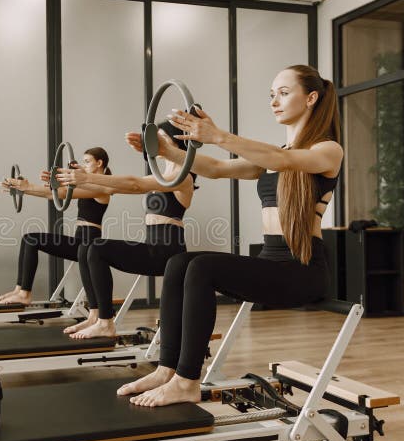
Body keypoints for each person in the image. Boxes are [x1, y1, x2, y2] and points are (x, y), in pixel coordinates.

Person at [119, 64, 343, 407]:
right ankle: (167, 369)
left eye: (284, 93)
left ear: (311, 98)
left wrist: (218, 135)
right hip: (271, 264)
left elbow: (282, 160)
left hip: (302, 270)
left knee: (203, 268)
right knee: (179, 263)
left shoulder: (328, 151)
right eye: (272, 95)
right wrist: (166, 152)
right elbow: (218, 169)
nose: (274, 102)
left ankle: (187, 380)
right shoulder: (274, 155)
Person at [55, 121, 198, 339]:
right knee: (91, 248)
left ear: (175, 140)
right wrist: (78, 179)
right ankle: (96, 316)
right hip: (152, 247)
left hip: (168, 254)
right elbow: (110, 187)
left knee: (97, 248)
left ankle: (105, 322)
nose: (155, 142)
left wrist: (87, 177)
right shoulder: (161, 173)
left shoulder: (183, 176)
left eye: (160, 137)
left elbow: (134, 184)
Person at [0, 148, 112, 308]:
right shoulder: (89, 185)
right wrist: (46, 185)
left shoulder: (101, 188)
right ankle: (19, 289)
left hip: (87, 244)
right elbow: (56, 192)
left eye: (87, 161)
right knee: (27, 239)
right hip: (78, 241)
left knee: (32, 240)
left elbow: (60, 194)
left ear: (99, 163)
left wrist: (28, 187)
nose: (83, 165)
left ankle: (24, 294)